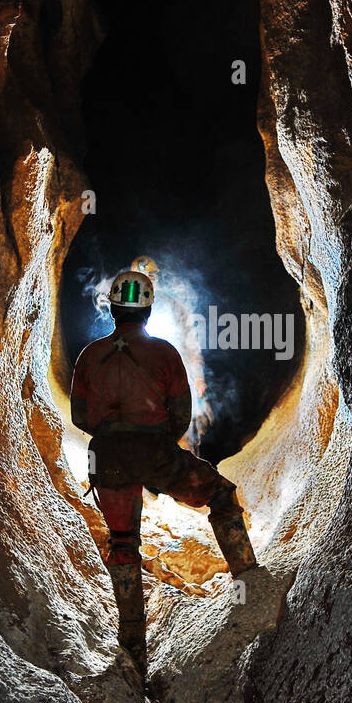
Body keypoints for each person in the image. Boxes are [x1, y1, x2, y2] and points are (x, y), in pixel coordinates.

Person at [70, 268, 257, 678]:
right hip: (154, 450)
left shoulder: (89, 355)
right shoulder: (165, 353)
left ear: (112, 308)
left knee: (123, 543)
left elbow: (80, 415)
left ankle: (133, 649)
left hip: (108, 458)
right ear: (148, 310)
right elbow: (181, 416)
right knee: (220, 496)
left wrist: (113, 435)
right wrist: (158, 448)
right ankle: (250, 581)